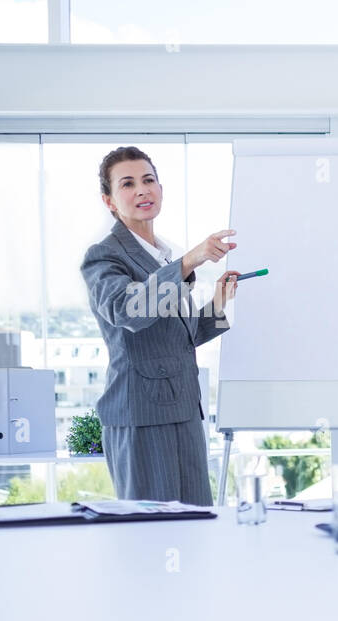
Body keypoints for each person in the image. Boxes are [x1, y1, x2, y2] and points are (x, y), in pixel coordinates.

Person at [81, 146, 240, 506]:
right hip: (140, 418)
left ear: (161, 189)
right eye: (128, 183)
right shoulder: (104, 255)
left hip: (184, 411)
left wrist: (218, 302)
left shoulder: (163, 255)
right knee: (150, 532)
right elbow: (127, 310)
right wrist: (190, 261)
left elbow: (182, 338)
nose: (142, 190)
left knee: (197, 523)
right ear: (109, 201)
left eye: (149, 180)